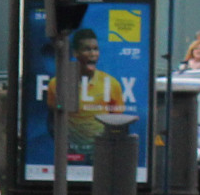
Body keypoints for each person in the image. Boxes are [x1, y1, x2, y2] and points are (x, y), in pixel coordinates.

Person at [42, 25, 133, 159]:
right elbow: (52, 120)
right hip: (70, 154)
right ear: (75, 53)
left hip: (100, 152)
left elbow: (117, 124)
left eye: (95, 49)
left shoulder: (111, 84)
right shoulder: (57, 83)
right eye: (87, 49)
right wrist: (63, 147)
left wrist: (109, 151)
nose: (92, 54)